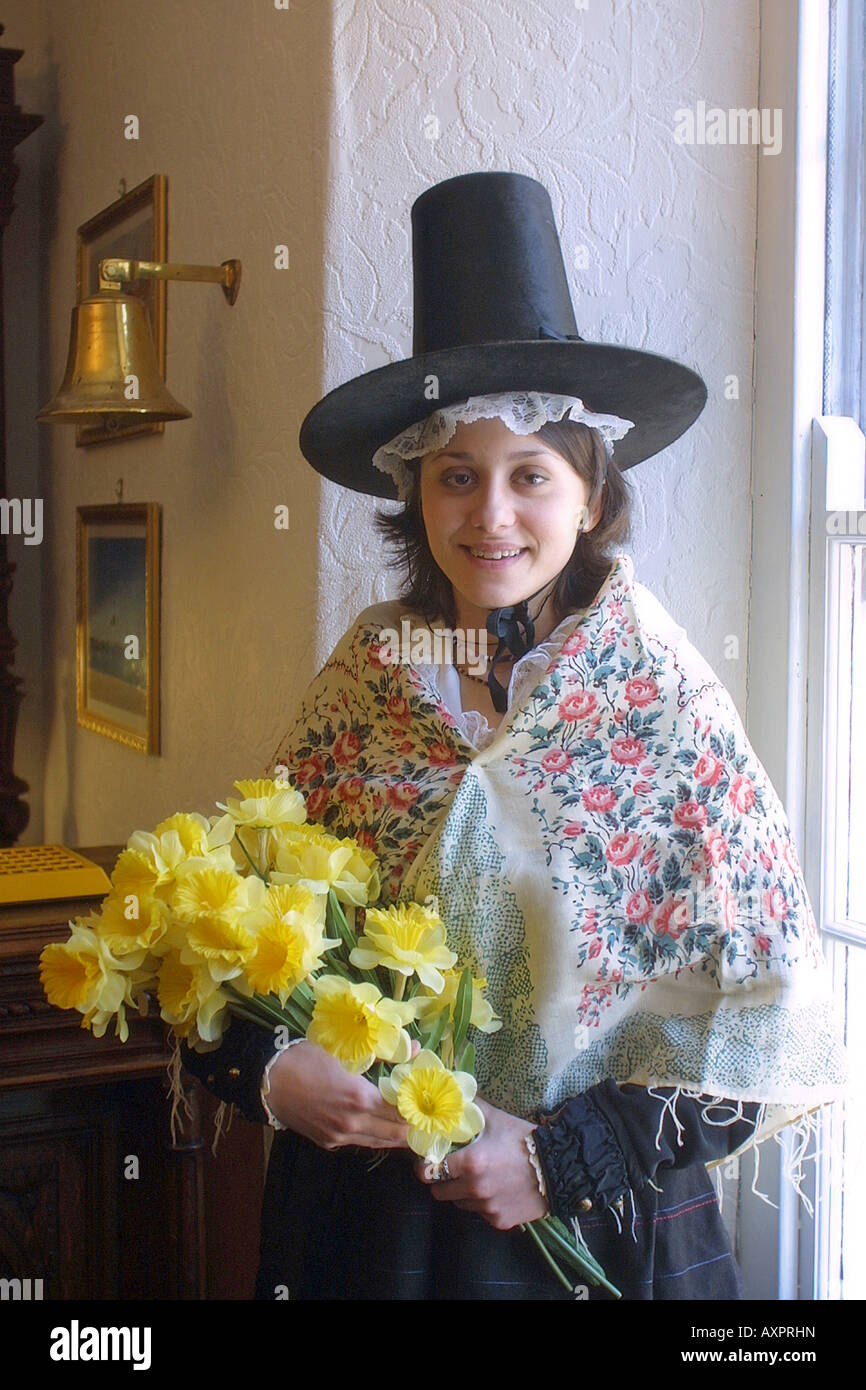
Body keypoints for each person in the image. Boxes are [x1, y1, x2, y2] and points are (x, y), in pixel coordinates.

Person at [182, 172, 846, 1300]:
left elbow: (764, 1007)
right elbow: (225, 927)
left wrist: (555, 1157)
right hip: (363, 1230)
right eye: (455, 477)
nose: (489, 516)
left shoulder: (660, 704)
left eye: (528, 476)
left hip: (595, 1233)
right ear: (415, 496)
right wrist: (268, 1070)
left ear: (589, 496)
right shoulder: (363, 682)